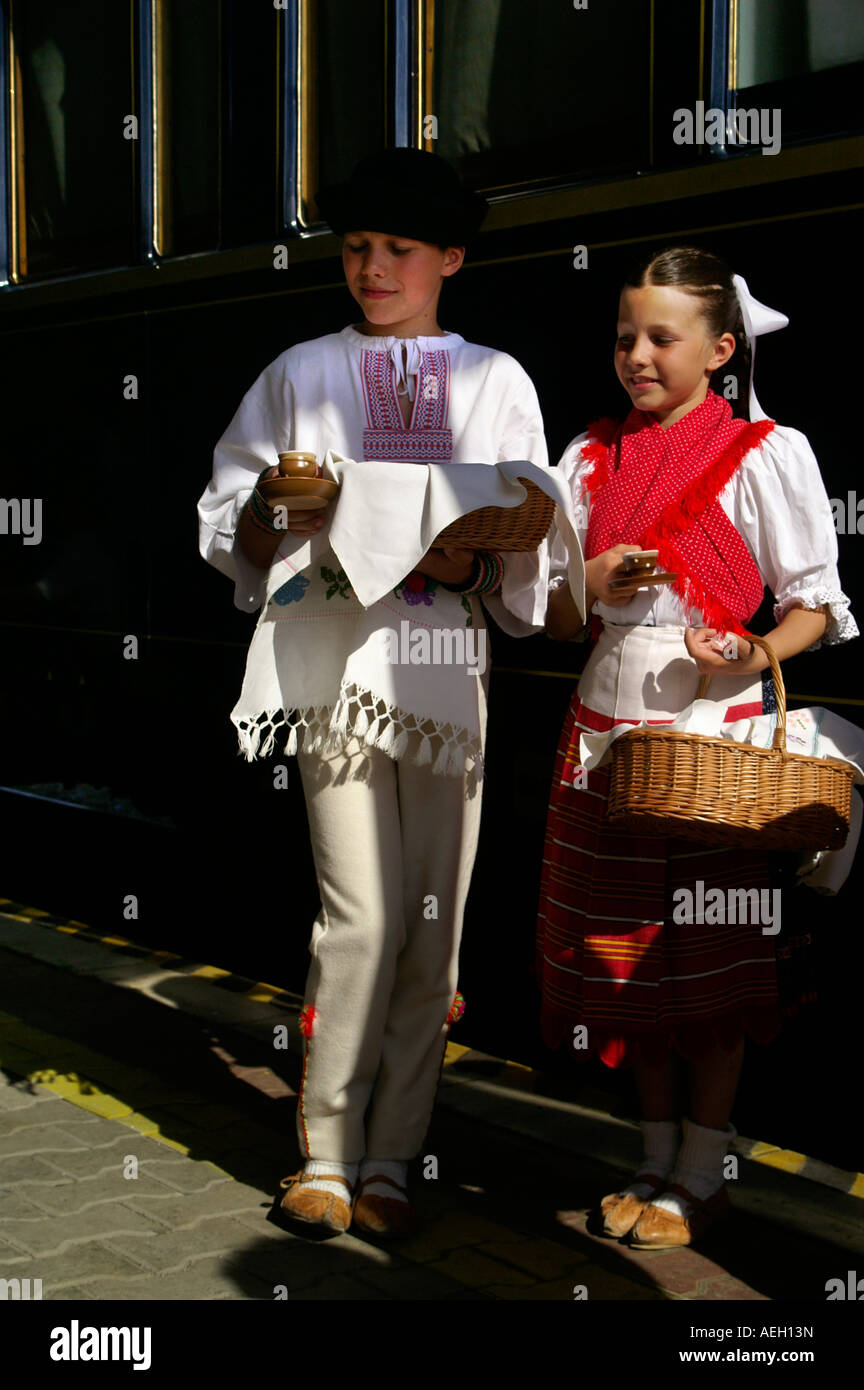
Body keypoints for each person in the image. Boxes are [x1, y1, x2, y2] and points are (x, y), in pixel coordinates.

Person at [197, 148, 549, 1238]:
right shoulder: (301, 370)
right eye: (357, 249)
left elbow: (529, 546)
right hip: (331, 668)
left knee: (431, 923)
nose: (373, 268)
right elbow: (227, 522)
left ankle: (397, 1157)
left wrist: (461, 560)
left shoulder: (494, 379)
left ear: (451, 256)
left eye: (399, 249)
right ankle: (332, 1150)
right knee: (360, 912)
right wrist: (271, 510)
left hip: (442, 680)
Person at [539, 246, 857, 1250]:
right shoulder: (588, 457)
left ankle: (704, 1172)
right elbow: (546, 616)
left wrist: (752, 648)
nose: (637, 354)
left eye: (661, 338)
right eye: (625, 335)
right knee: (632, 959)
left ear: (721, 350)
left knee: (708, 962)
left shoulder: (768, 451)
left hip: (704, 742)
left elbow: (815, 607)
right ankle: (653, 1156)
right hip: (601, 735)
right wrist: (591, 581)